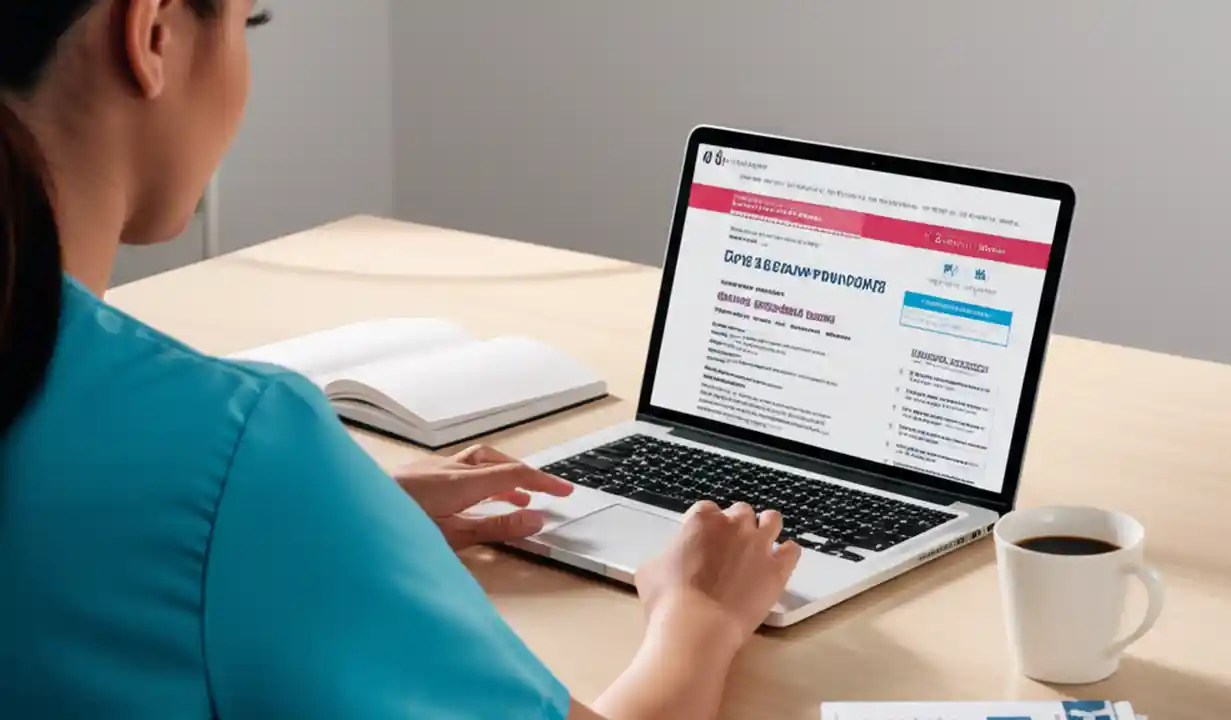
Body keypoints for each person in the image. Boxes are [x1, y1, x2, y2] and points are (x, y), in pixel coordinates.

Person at [0, 1, 802, 718]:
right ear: (152, 34)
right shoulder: (233, 447)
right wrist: (699, 621)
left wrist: (337, 523)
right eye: (252, 23)